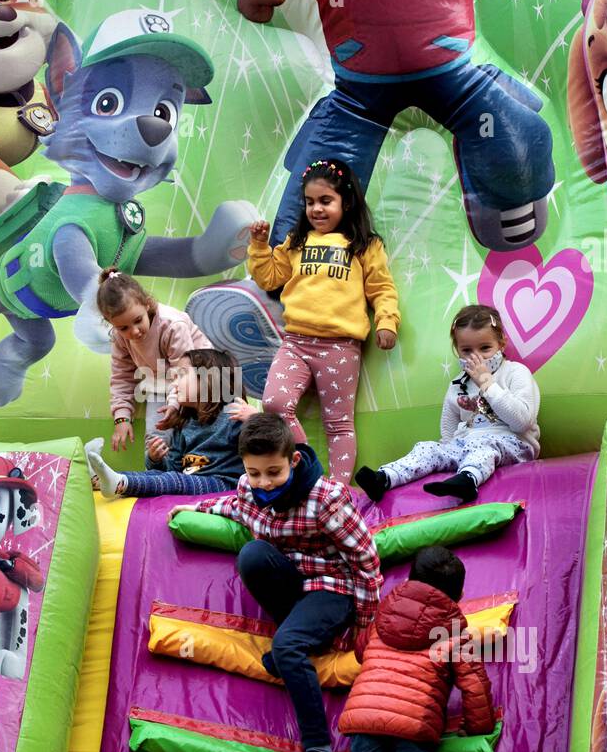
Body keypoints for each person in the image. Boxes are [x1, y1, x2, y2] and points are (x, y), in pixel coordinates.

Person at [168, 413, 382, 752]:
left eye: (273, 472)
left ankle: (317, 747)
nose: (264, 483)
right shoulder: (248, 489)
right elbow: (237, 508)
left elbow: (366, 560)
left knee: (285, 647)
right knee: (252, 554)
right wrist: (197, 508)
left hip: (332, 589)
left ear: (293, 461)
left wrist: (364, 623)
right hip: (294, 586)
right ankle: (295, 643)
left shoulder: (325, 499)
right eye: (254, 473)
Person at [247, 158, 399, 484]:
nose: (316, 209)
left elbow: (382, 289)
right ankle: (310, 476)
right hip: (296, 342)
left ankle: (337, 492)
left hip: (340, 347)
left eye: (325, 201)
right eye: (310, 202)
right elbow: (270, 278)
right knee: (274, 403)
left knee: (339, 423)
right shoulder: (297, 241)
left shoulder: (364, 244)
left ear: (346, 201)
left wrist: (387, 322)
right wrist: (260, 247)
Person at [356, 304, 539, 504]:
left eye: (485, 348)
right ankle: (385, 478)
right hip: (467, 444)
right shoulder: (457, 384)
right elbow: (449, 433)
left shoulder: (515, 373)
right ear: (457, 350)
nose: (476, 357)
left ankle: (468, 480)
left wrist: (488, 383)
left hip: (511, 444)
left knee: (485, 447)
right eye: (467, 350)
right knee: (428, 448)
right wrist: (444, 454)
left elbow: (522, 422)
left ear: (501, 343)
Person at [338, 545, 495, 752]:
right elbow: (474, 685)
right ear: (459, 596)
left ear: (409, 579)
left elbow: (361, 652)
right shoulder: (454, 634)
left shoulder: (383, 617)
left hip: (364, 719)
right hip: (414, 727)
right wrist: (478, 727)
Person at [86, 349, 248, 498]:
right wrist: (155, 459)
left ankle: (121, 483)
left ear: (208, 378)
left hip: (224, 484)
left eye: (181, 375)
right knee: (155, 475)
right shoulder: (185, 423)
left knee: (176, 480)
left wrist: (252, 419)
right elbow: (173, 467)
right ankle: (99, 480)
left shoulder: (233, 415)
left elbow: (266, 443)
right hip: (188, 480)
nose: (173, 385)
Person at [98, 268, 212, 454]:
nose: (134, 332)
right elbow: (122, 377)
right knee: (155, 439)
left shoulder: (172, 325)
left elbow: (184, 372)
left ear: (147, 304)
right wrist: (122, 417)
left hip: (199, 378)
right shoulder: (120, 338)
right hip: (160, 382)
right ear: (111, 323)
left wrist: (175, 405)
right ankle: (156, 480)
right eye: (123, 327)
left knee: (197, 434)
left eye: (138, 320)